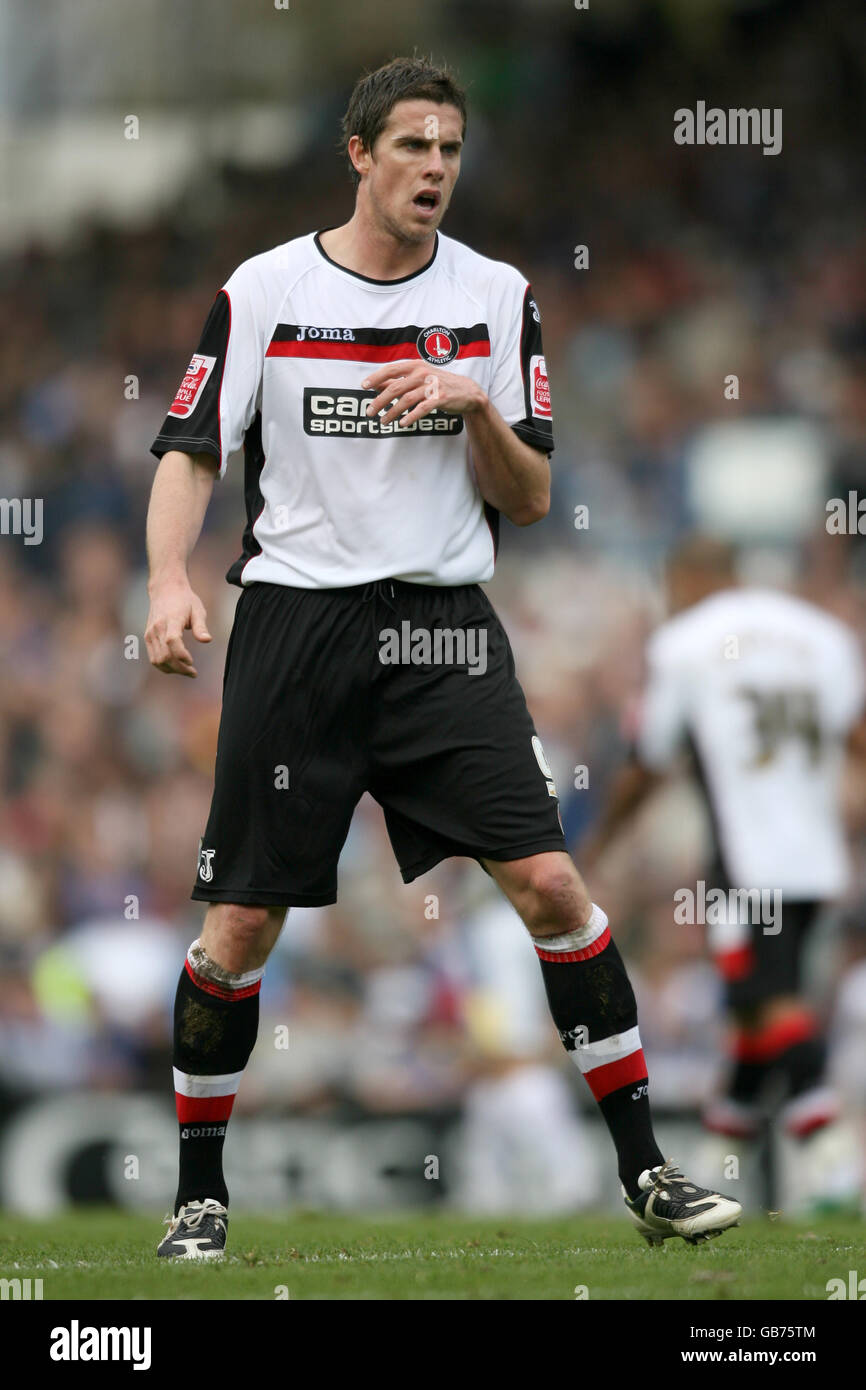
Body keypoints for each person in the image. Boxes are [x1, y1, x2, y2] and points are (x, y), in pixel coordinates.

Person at [144, 57, 739, 1258]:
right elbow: (191, 447)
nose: (433, 169)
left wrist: (473, 402)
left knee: (554, 889)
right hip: (295, 627)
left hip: (441, 632)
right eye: (412, 147)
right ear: (357, 155)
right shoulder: (262, 289)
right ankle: (198, 1196)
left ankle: (646, 1171)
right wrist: (167, 577)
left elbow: (529, 498)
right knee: (241, 926)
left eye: (450, 151)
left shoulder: (496, 294)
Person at [582, 536, 866, 1153]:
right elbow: (857, 738)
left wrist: (599, 842)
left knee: (766, 1000)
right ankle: (725, 1141)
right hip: (818, 859)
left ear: (684, 578)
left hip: (747, 861)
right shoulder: (823, 636)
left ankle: (834, 1152)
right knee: (755, 1003)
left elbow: (649, 760)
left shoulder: (688, 642)